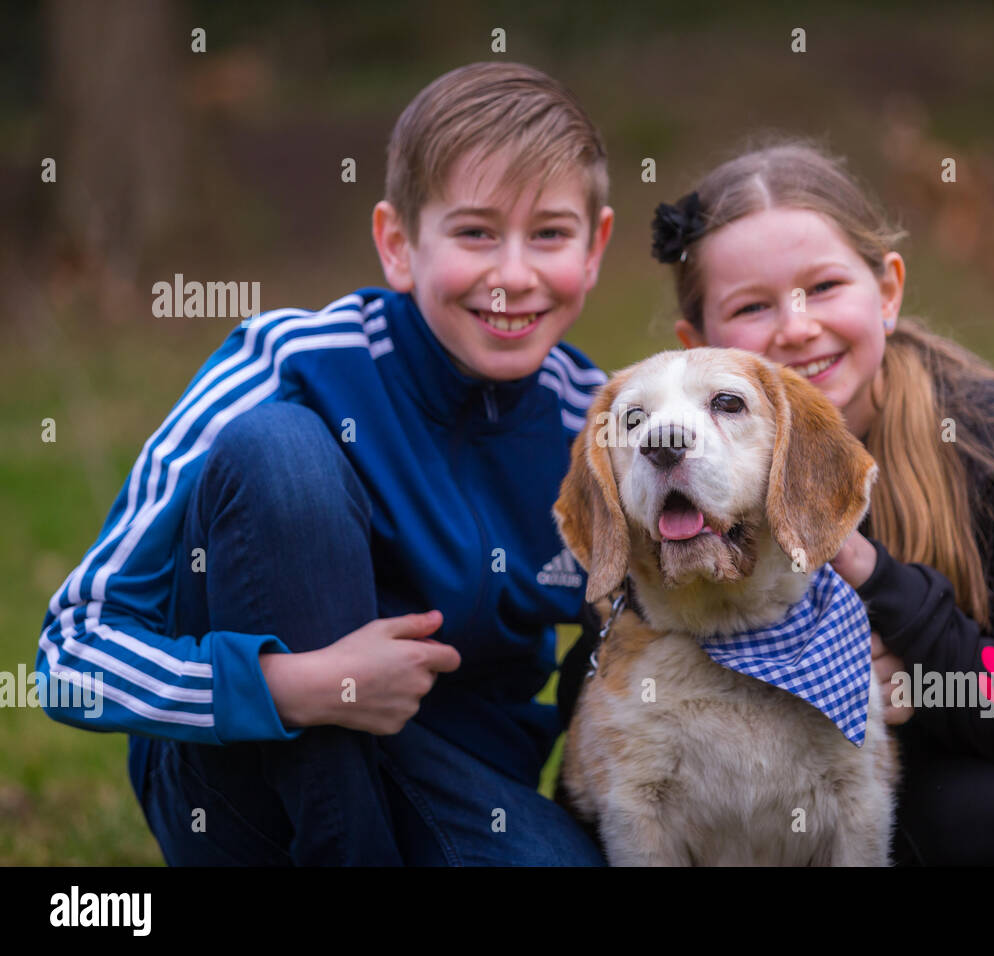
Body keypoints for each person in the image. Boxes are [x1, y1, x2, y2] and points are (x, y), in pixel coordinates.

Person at [35, 61, 617, 866]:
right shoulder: (293, 361)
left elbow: (662, 635)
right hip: (248, 786)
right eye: (476, 232)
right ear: (398, 244)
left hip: (462, 794)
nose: (513, 276)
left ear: (594, 250)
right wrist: (298, 685)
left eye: (549, 234)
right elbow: (68, 658)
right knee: (282, 454)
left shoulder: (598, 425)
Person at [596, 139, 994, 866]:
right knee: (985, 823)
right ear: (695, 345)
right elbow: (610, 672)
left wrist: (880, 591)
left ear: (887, 291)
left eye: (823, 287)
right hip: (901, 776)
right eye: (753, 306)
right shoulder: (669, 484)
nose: (796, 327)